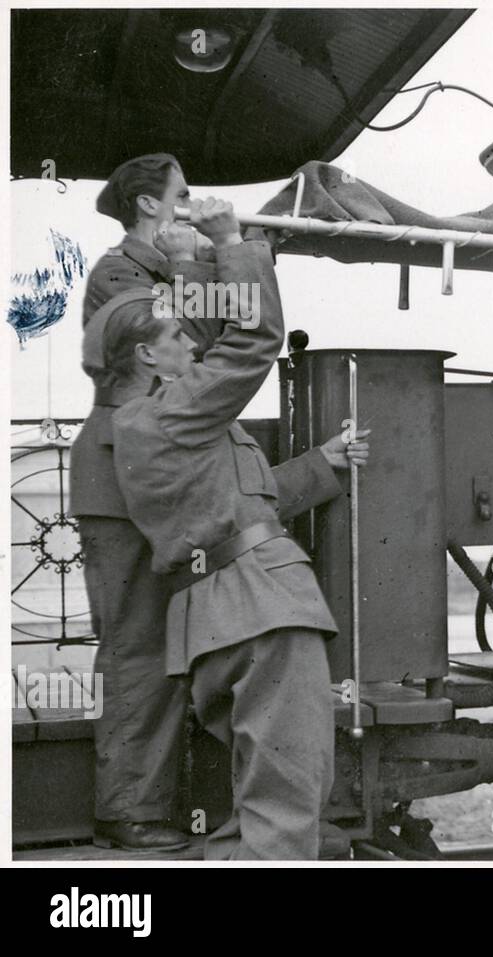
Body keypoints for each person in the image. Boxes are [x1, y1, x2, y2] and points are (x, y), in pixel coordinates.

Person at [87, 197, 369, 859]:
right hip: (261, 610)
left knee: (259, 811)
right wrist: (235, 243)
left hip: (220, 617)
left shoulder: (148, 423)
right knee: (286, 811)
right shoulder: (173, 414)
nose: (192, 341)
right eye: (177, 338)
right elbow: (252, 343)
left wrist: (322, 464)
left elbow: (242, 493)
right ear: (150, 361)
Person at [71, 153, 229, 851]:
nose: (191, 205)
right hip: (120, 477)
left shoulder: (159, 269)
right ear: (147, 205)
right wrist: (202, 263)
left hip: (145, 472)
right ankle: (127, 809)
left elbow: (214, 343)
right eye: (182, 195)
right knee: (137, 646)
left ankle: (147, 801)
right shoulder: (118, 274)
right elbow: (185, 342)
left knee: (157, 643)